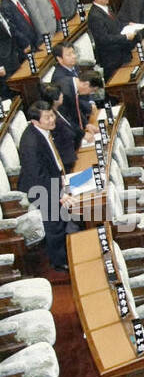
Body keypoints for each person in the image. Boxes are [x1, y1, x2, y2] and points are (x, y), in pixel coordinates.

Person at [19, 101, 75, 272]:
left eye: (52, 115)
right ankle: (59, 262)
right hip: (39, 188)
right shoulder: (31, 143)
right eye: (48, 117)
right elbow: (38, 176)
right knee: (55, 220)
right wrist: (59, 194)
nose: (53, 120)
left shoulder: (44, 131)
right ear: (35, 122)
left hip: (53, 178)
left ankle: (72, 247)